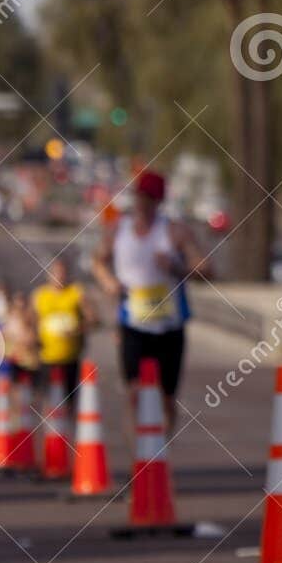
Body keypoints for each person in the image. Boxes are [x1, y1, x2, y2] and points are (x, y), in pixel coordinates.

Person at [92, 169, 212, 442]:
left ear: (159, 201)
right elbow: (98, 260)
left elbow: (206, 268)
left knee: (167, 396)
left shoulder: (174, 231)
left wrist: (177, 267)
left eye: (150, 198)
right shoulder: (119, 230)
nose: (143, 203)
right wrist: (108, 281)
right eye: (140, 197)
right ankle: (139, 451)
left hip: (169, 324)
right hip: (132, 322)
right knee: (134, 390)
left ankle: (160, 446)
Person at [32, 255, 94, 401]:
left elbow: (93, 319)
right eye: (56, 272)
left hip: (71, 357)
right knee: (47, 400)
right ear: (49, 274)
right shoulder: (40, 295)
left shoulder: (76, 292)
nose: (59, 276)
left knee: (69, 401)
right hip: (46, 357)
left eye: (62, 272)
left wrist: (76, 330)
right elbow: (30, 321)